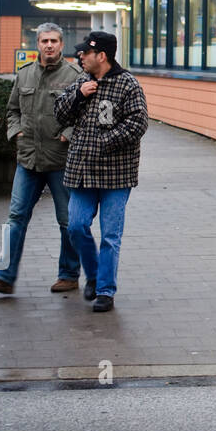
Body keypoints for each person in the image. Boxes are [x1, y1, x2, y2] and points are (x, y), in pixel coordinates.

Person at [0, 23, 82, 296]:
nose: (48, 45)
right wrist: (16, 132)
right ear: (36, 44)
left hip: (60, 160)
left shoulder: (74, 75)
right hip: (28, 160)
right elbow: (12, 110)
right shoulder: (24, 74)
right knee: (16, 217)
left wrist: (67, 135)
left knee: (67, 221)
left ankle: (69, 274)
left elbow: (84, 115)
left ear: (62, 44)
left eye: (53, 41)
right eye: (44, 41)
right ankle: (4, 276)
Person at [54, 31, 149, 313]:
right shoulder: (82, 81)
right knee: (76, 226)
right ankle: (94, 276)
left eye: (86, 52)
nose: (80, 56)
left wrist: (105, 142)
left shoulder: (128, 85)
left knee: (110, 235)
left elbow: (138, 122)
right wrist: (77, 98)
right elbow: (59, 114)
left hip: (115, 176)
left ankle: (105, 290)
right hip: (81, 173)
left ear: (102, 56)